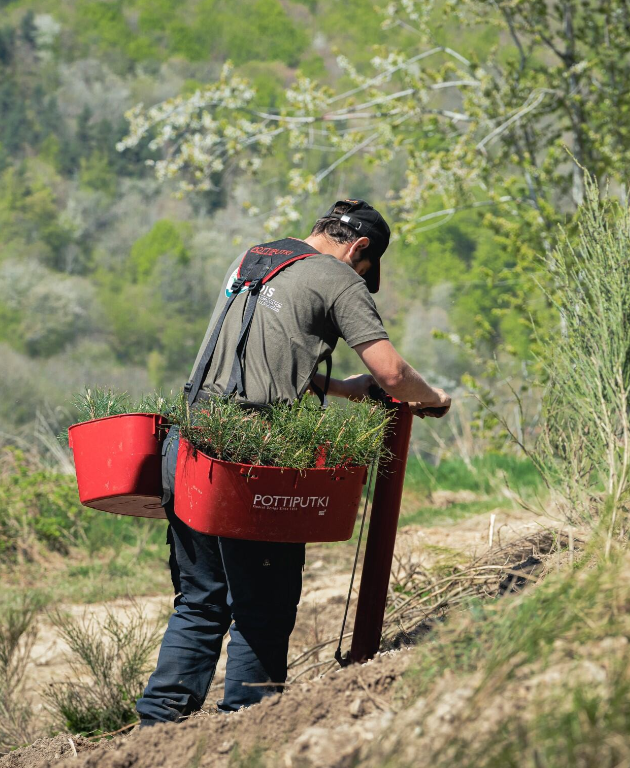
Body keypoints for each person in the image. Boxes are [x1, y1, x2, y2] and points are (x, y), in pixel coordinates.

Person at [136, 199, 451, 726]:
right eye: (365, 268)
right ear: (360, 249)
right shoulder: (336, 277)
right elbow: (393, 374)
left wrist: (339, 388)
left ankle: (156, 730)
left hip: (189, 443)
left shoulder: (254, 259)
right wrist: (435, 396)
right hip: (249, 458)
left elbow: (254, 358)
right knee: (263, 610)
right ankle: (247, 732)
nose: (360, 275)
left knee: (201, 601)